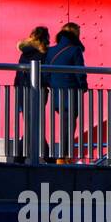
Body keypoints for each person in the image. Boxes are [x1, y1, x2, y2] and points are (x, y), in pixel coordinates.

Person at [44, 25, 87, 163]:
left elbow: (46, 73)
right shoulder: (75, 50)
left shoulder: (50, 51)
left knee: (64, 122)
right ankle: (63, 156)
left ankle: (63, 155)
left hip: (56, 93)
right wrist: (83, 86)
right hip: (71, 92)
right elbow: (79, 70)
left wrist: (52, 85)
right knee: (70, 124)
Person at [13, 27, 50, 163]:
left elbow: (18, 74)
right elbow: (46, 74)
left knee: (31, 124)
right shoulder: (44, 53)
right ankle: (44, 156)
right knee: (34, 124)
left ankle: (22, 157)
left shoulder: (25, 52)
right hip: (38, 91)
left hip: (23, 91)